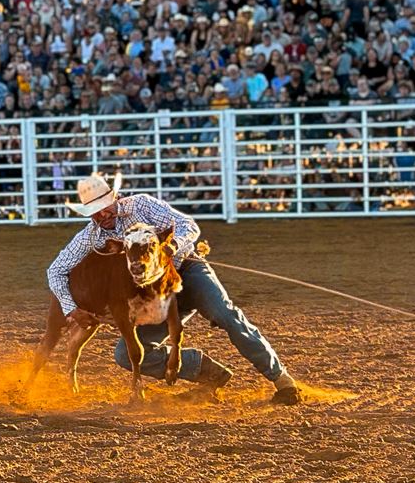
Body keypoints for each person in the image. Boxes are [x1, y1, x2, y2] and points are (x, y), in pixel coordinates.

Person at [46, 171, 301, 404]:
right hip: (153, 296)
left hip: (187, 273)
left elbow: (188, 225)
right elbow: (55, 270)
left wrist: (172, 245)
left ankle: (281, 379)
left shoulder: (142, 205)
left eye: (104, 208)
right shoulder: (91, 237)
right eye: (94, 212)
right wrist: (70, 308)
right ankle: (206, 371)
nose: (102, 216)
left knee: (225, 314)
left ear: (116, 198)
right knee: (126, 354)